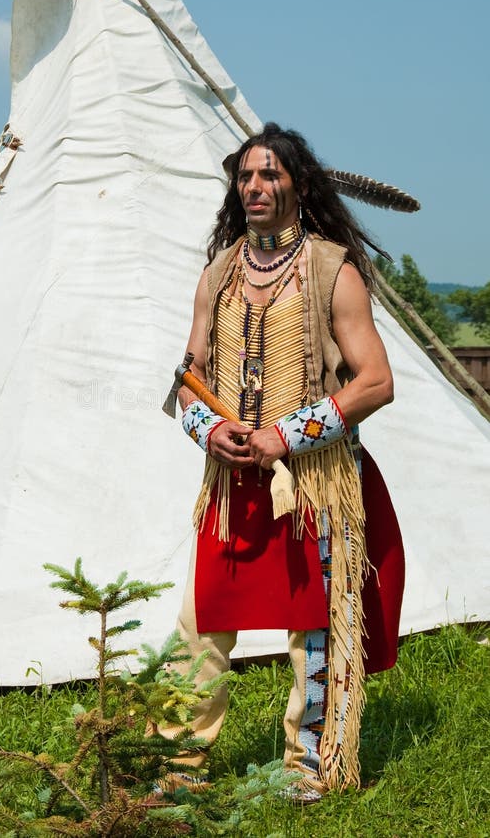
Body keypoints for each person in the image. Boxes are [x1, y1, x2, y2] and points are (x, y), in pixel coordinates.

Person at [163, 122, 405, 802]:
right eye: (244, 177)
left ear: (296, 184)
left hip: (315, 482)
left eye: (268, 175)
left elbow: (375, 380)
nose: (255, 187)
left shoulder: (332, 268)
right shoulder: (218, 273)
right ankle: (176, 769)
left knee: (315, 630)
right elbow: (188, 376)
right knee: (200, 622)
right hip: (230, 484)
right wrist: (207, 429)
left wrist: (285, 435)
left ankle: (310, 768)